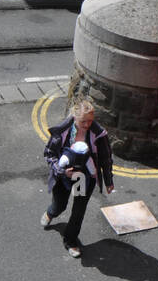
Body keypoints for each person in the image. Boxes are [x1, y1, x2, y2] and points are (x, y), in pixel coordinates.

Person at [41, 98, 114, 258]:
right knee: (60, 205)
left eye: (90, 121)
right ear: (74, 116)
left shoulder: (98, 134)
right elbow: (49, 154)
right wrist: (61, 171)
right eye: (83, 121)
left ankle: (71, 241)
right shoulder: (62, 132)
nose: (87, 125)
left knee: (78, 211)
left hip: (84, 178)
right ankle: (51, 213)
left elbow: (105, 157)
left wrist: (108, 180)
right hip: (64, 176)